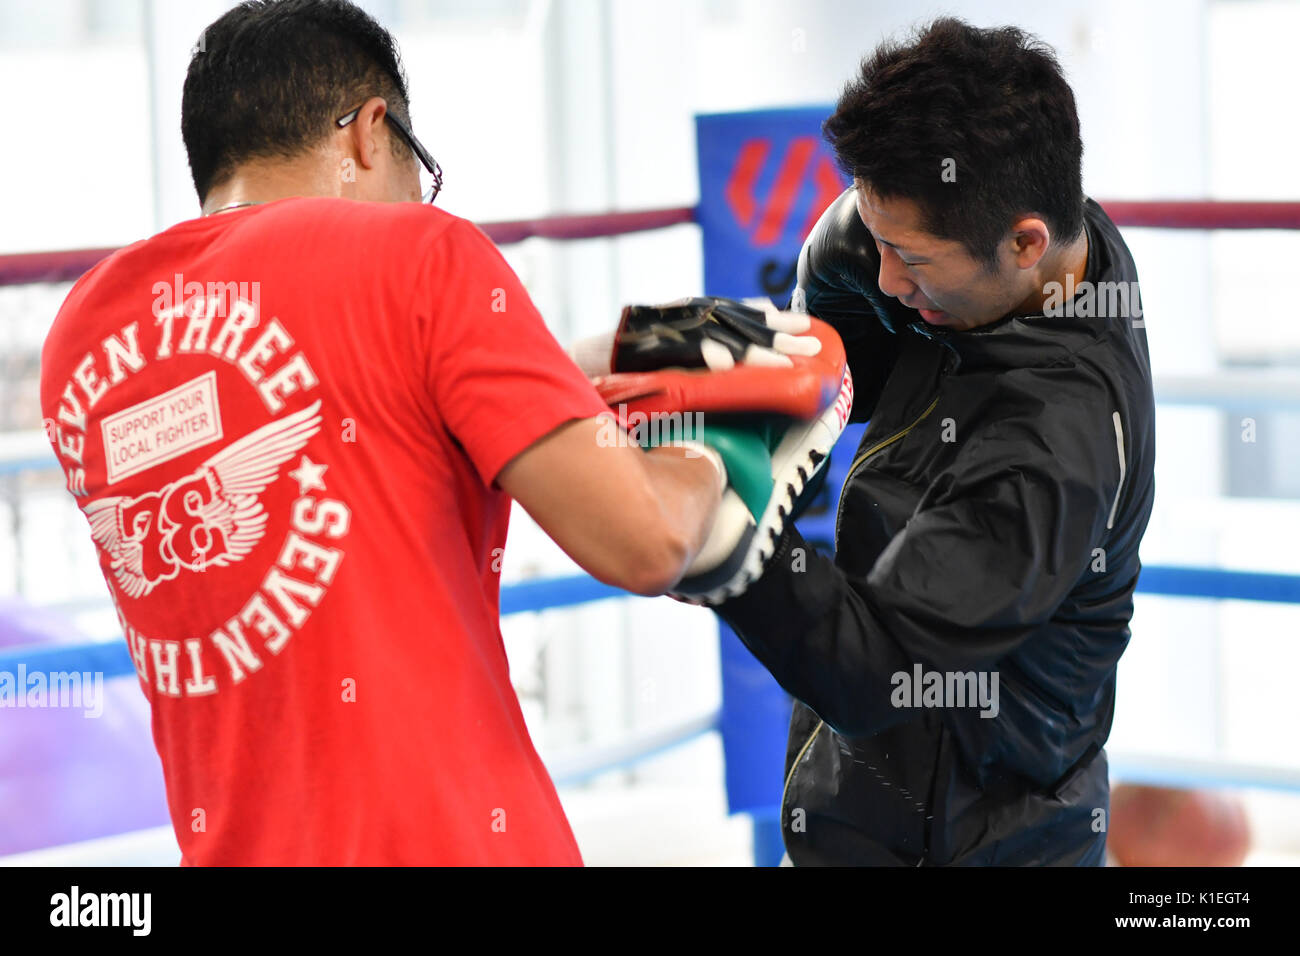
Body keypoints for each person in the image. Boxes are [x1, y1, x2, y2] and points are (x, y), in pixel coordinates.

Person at [38, 0, 795, 866]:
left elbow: (339, 403)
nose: (418, 197)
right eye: (417, 167)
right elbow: (648, 541)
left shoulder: (85, 336)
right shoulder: (420, 253)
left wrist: (592, 363)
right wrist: (727, 437)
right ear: (369, 132)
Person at [713, 18, 1156, 865]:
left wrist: (721, 534)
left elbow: (876, 672)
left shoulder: (1052, 454)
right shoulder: (1005, 235)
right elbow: (835, 364)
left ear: (1027, 243)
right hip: (863, 805)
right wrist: (735, 391)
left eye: (910, 258)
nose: (885, 277)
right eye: (879, 240)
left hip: (989, 838)